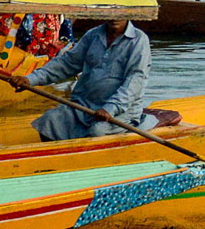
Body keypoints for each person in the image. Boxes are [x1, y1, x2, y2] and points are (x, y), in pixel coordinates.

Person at [11, 18, 152, 140]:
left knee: (97, 132)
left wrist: (110, 109)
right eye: (114, 12)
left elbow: (135, 82)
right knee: (49, 121)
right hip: (84, 106)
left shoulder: (139, 40)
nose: (116, 18)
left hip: (121, 113)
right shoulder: (93, 35)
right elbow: (66, 64)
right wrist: (30, 79)